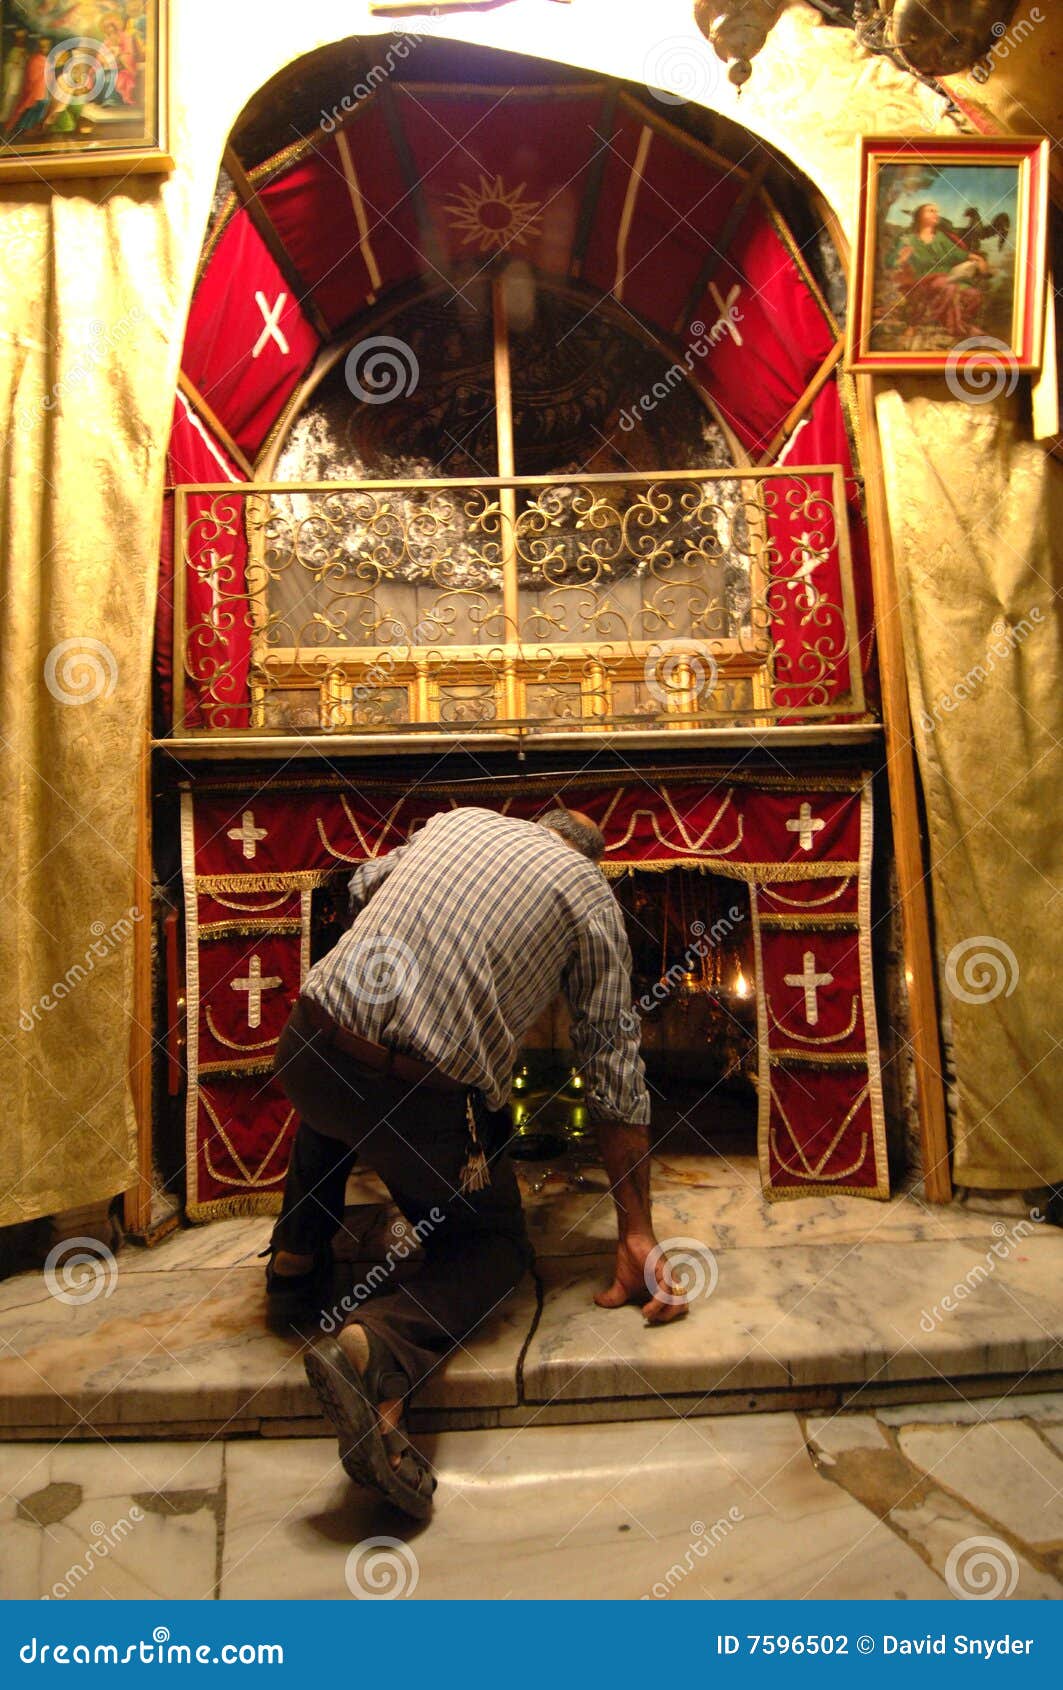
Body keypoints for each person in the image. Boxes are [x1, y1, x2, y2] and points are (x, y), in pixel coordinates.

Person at [268, 804, 684, 1518]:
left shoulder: (456, 820)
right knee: (492, 1243)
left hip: (304, 1044)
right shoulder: (586, 892)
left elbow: (365, 883)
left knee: (337, 1088)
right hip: (414, 1097)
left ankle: (294, 1263)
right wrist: (634, 1229)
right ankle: (381, 1348)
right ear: (592, 859)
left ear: (536, 825)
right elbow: (611, 1066)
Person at [886, 201, 989, 346]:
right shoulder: (908, 240)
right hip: (923, 279)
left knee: (973, 294)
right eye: (931, 211)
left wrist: (977, 258)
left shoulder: (941, 237)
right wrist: (902, 258)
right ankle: (958, 329)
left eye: (937, 211)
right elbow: (890, 262)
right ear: (920, 216)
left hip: (948, 278)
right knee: (948, 286)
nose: (936, 214)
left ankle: (964, 324)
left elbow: (958, 254)